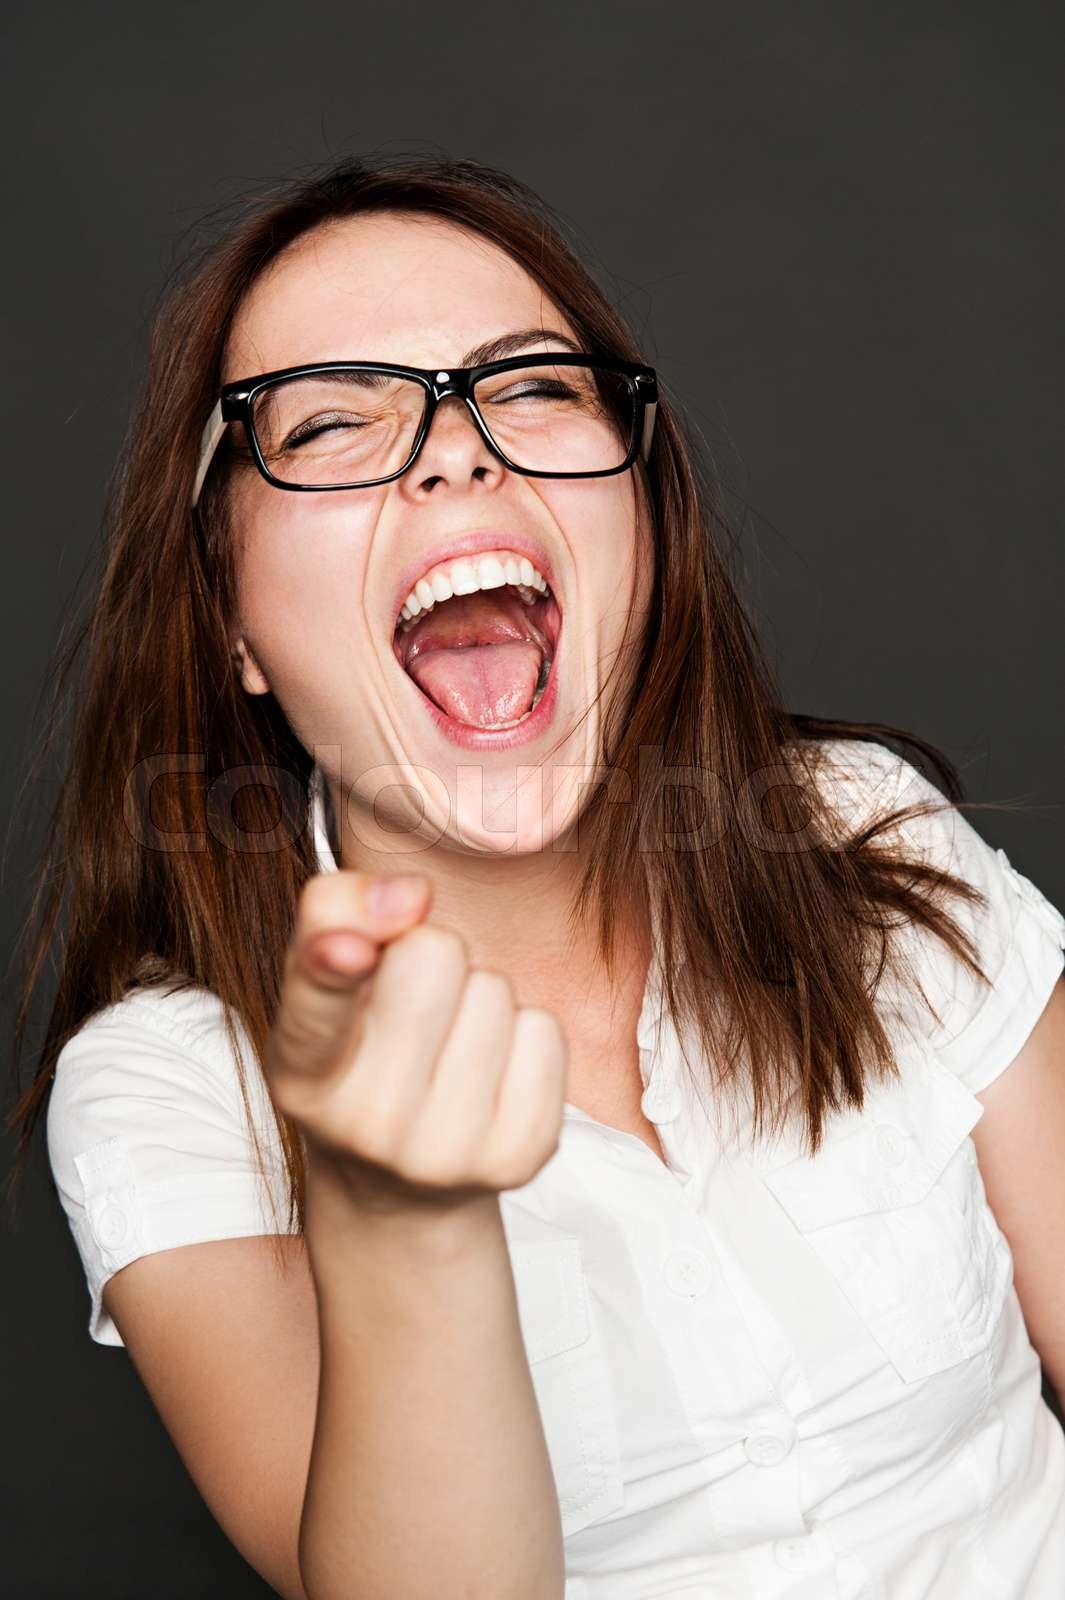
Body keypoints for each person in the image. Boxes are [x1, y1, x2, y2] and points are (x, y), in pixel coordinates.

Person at [8, 155, 1065, 1600]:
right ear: (231, 625)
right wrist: (401, 1221)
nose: (457, 453)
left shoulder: (863, 833)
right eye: (328, 421)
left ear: (645, 525)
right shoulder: (167, 1088)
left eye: (531, 387)